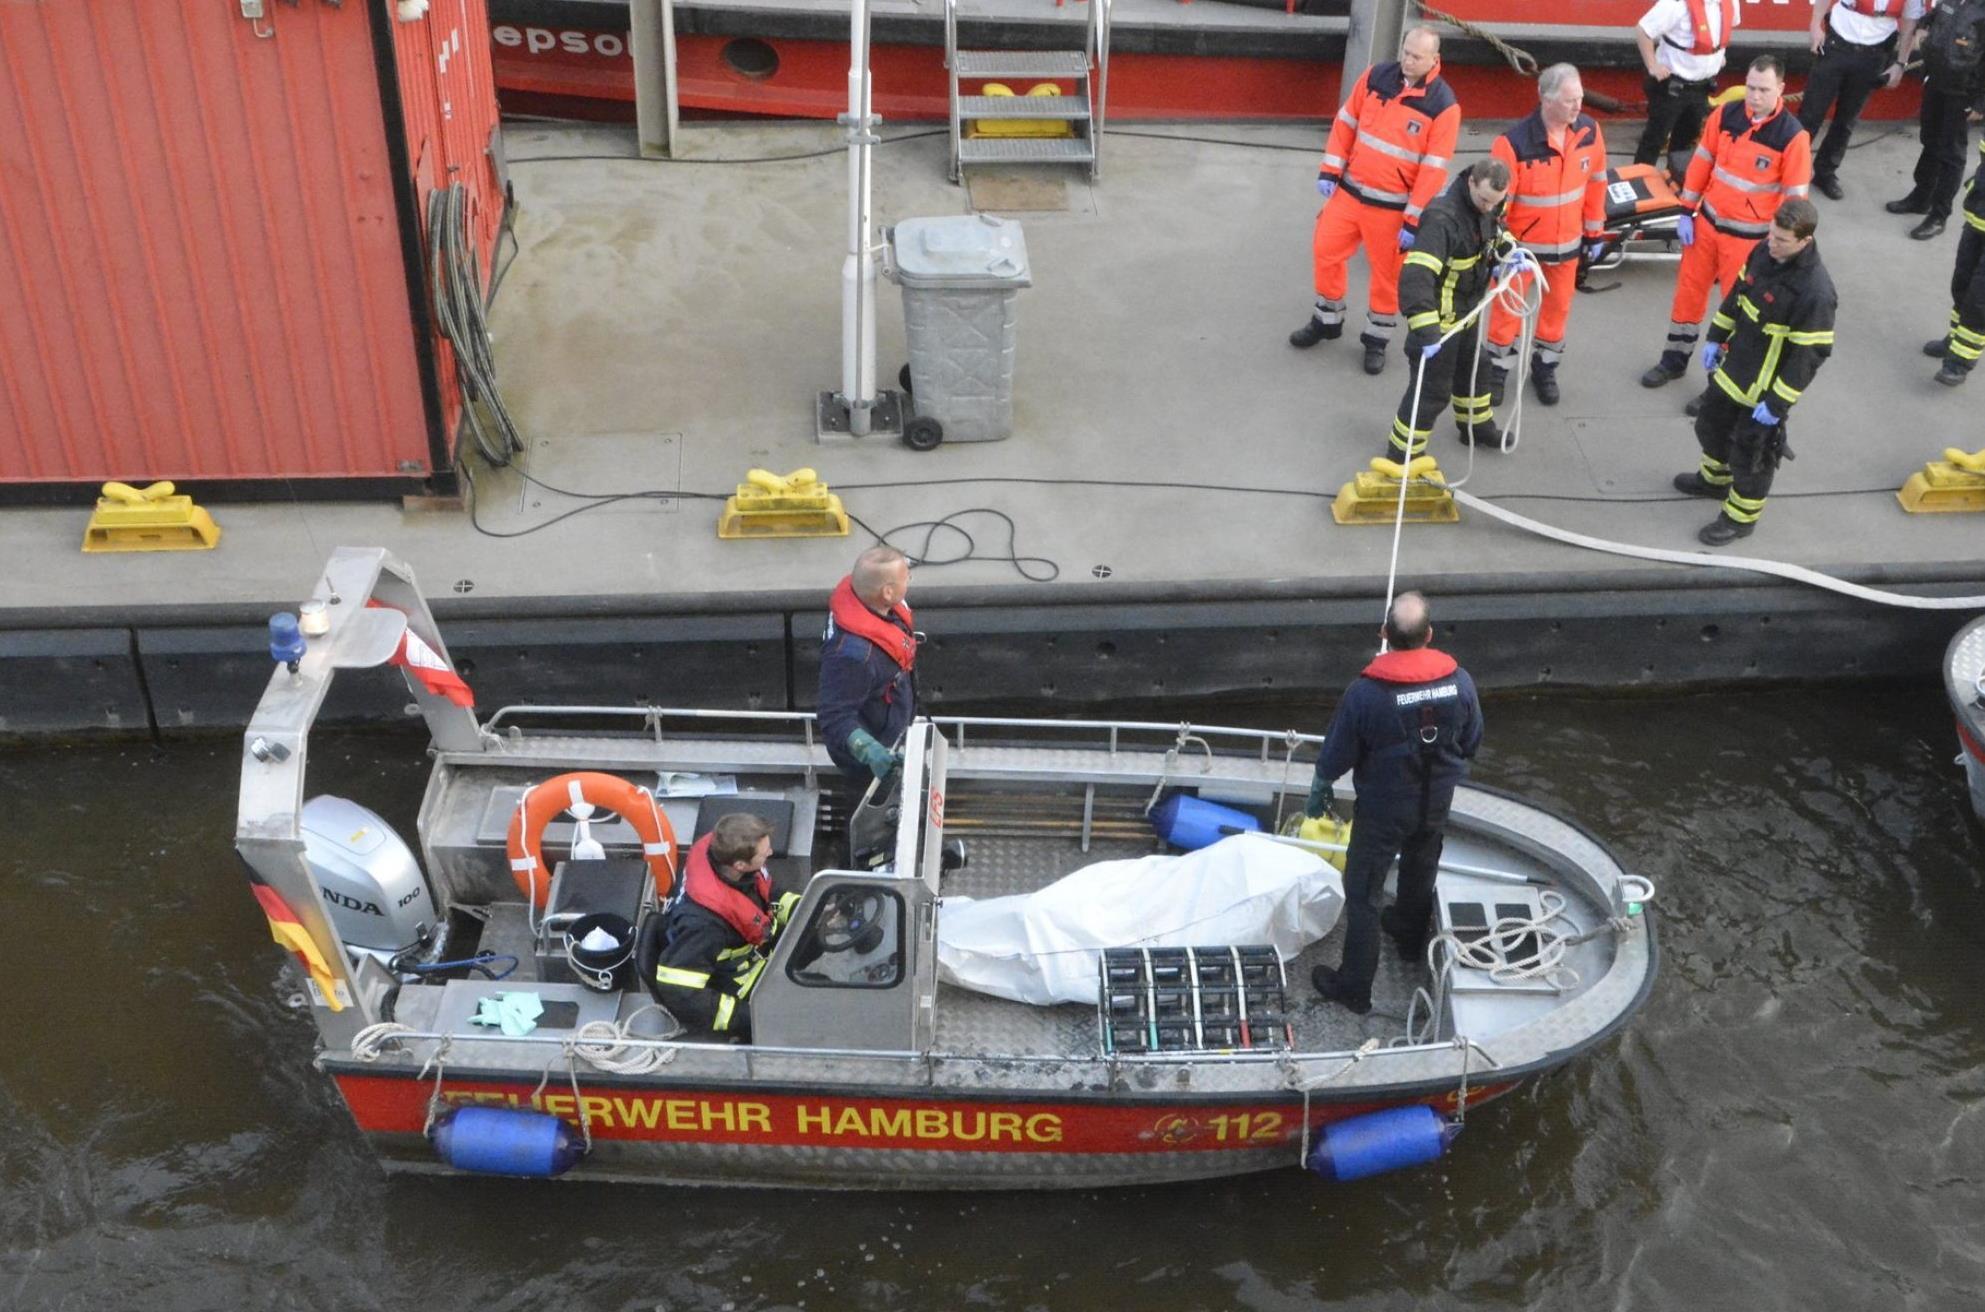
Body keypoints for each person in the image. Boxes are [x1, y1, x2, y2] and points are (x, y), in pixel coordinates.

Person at [1304, 592, 1483, 1015]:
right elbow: (1472, 740)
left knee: (1364, 892)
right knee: (1421, 867)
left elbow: (1337, 753)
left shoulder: (1365, 694)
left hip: (1385, 807)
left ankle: (1354, 987)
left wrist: (1322, 782)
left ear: (1384, 634)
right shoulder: (1461, 684)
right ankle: (1406, 935)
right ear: (1430, 635)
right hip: (1436, 801)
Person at [1290, 26, 1461, 377]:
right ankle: (1327, 318)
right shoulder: (1375, 77)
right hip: (1350, 193)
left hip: (1392, 210)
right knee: (1325, 249)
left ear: (1434, 60)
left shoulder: (1444, 106)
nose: (1408, 60)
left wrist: (1414, 220)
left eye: (1417, 56)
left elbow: (1434, 169)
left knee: (1387, 278)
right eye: (1406, 52)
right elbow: (1346, 123)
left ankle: (1376, 340)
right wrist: (1330, 170)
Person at [1641, 56, 1812, 391]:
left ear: (1781, 89)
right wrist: (1687, 209)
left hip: (1749, 243)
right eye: (1750, 87)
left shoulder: (1792, 138)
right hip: (1706, 227)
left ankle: (1719, 383)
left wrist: (1780, 249)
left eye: (1763, 90)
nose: (1755, 96)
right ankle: (1673, 360)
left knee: (1735, 313)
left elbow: (1793, 202)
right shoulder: (1724, 116)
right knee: (1688, 296)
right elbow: (1702, 162)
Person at [1672, 198, 1836, 545]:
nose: (1772, 244)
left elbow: (1810, 355)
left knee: (1752, 458)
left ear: (1805, 241)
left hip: (1764, 391)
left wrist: (1778, 403)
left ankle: (1740, 518)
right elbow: (1737, 298)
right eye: (1772, 235)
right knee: (1711, 426)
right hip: (1734, 371)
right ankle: (1714, 482)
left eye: (1781, 240)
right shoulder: (1764, 253)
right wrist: (1716, 337)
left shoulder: (1815, 292)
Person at [1486, 64, 1609, 408]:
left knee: (1557, 313)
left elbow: (1597, 183)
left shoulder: (1589, 132)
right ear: (1546, 99)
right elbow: (1497, 207)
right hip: (1519, 254)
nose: (1577, 107)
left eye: (1581, 98)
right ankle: (1496, 370)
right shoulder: (1512, 144)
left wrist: (1595, 230)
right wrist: (1496, 249)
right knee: (1506, 311)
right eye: (1570, 100)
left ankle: (1545, 367)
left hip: (1567, 249)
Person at [1390, 158, 1514, 459]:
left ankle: (1476, 426)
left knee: (1476, 368)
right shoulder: (1443, 218)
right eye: (1484, 200)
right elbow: (1416, 275)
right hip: (1440, 320)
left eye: (1495, 202)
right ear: (1471, 181)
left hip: (1467, 312)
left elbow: (1496, 232)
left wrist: (1511, 251)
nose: (1489, 207)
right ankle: (1403, 453)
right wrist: (1426, 331)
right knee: (1431, 390)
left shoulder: (1491, 203)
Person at [650, 813, 799, 1041]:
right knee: (800, 1018)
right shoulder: (704, 924)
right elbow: (680, 991)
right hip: (735, 987)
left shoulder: (735, 867)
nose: (770, 853)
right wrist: (747, 1017)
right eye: (764, 852)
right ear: (740, 864)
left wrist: (808, 908)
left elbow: (770, 896)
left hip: (757, 955)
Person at [817, 545, 918, 798]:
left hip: (889, 710)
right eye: (906, 577)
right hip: (870, 747)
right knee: (869, 796)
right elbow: (835, 718)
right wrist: (871, 751)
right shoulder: (854, 656)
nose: (909, 581)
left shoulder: (868, 600)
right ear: (887, 592)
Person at [1800, 0, 1924, 201]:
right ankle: (1791, 169)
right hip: (1836, 42)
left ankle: (1825, 172)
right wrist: (1815, 26)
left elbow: (1910, 22)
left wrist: (1901, 63)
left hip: (1875, 53)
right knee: (1810, 115)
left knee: (1847, 119)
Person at [1886, 0, 1985, 239]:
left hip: (1963, 92)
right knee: (1930, 141)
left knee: (1952, 155)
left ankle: (1939, 215)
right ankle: (1921, 197)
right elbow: (1933, 18)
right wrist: (1922, 26)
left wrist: (1981, 102)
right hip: (1936, 82)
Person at [1633, 0, 1740, 168]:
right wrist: (1652, 65)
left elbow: (1727, 25)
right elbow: (1644, 30)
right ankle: (1638, 183)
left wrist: (1717, 55)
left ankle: (1674, 183)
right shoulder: (1676, 4)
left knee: (1685, 143)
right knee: (1654, 140)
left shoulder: (1729, 2)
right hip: (1671, 86)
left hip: (1701, 87)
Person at [1922, 136, 1985, 384]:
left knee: (1979, 299)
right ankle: (1955, 339)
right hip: (1978, 218)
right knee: (1962, 283)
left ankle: (1960, 362)